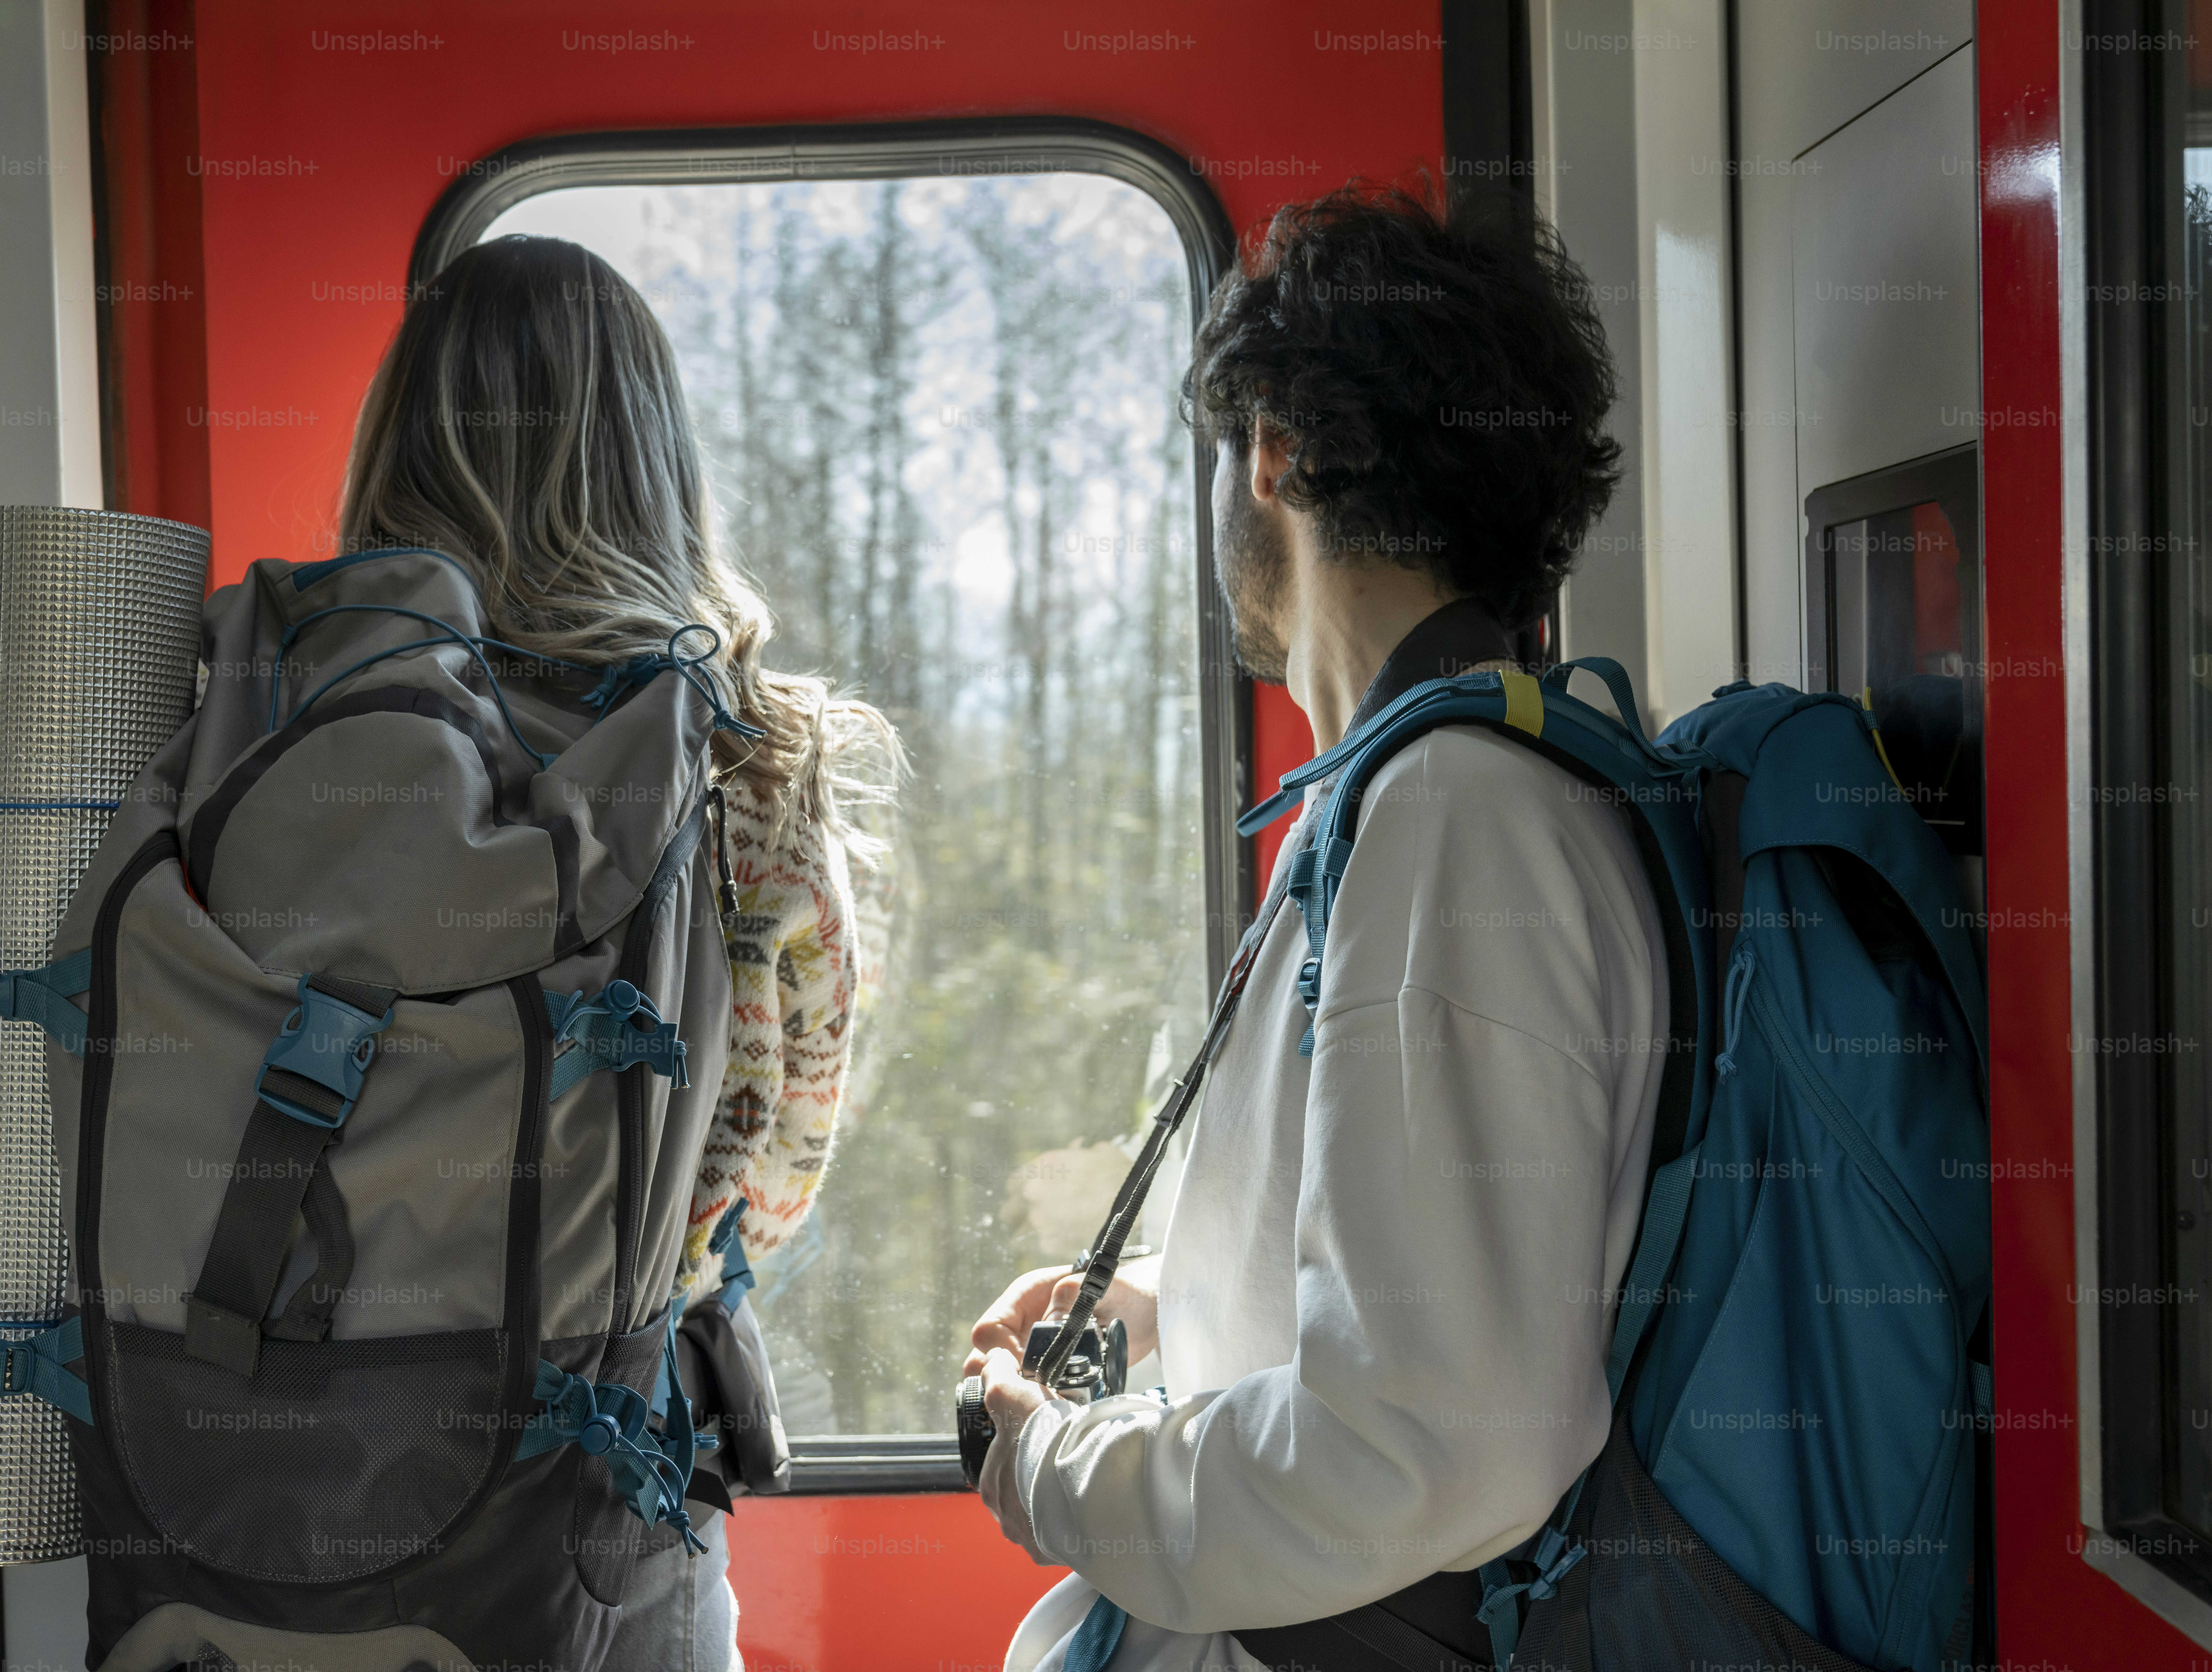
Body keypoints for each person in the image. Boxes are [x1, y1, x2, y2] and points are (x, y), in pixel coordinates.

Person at [966, 183, 1661, 1672]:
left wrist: (1044, 1467)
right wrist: (1166, 1301)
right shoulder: (1419, 793)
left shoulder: (1449, 820)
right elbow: (1438, 1270)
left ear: (1272, 450)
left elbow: (1425, 1444)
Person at [336, 232, 897, 1670]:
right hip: (606, 1485)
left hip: (288, 1457)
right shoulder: (754, 767)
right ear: (655, 461)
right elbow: (780, 1166)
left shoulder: (285, 740)